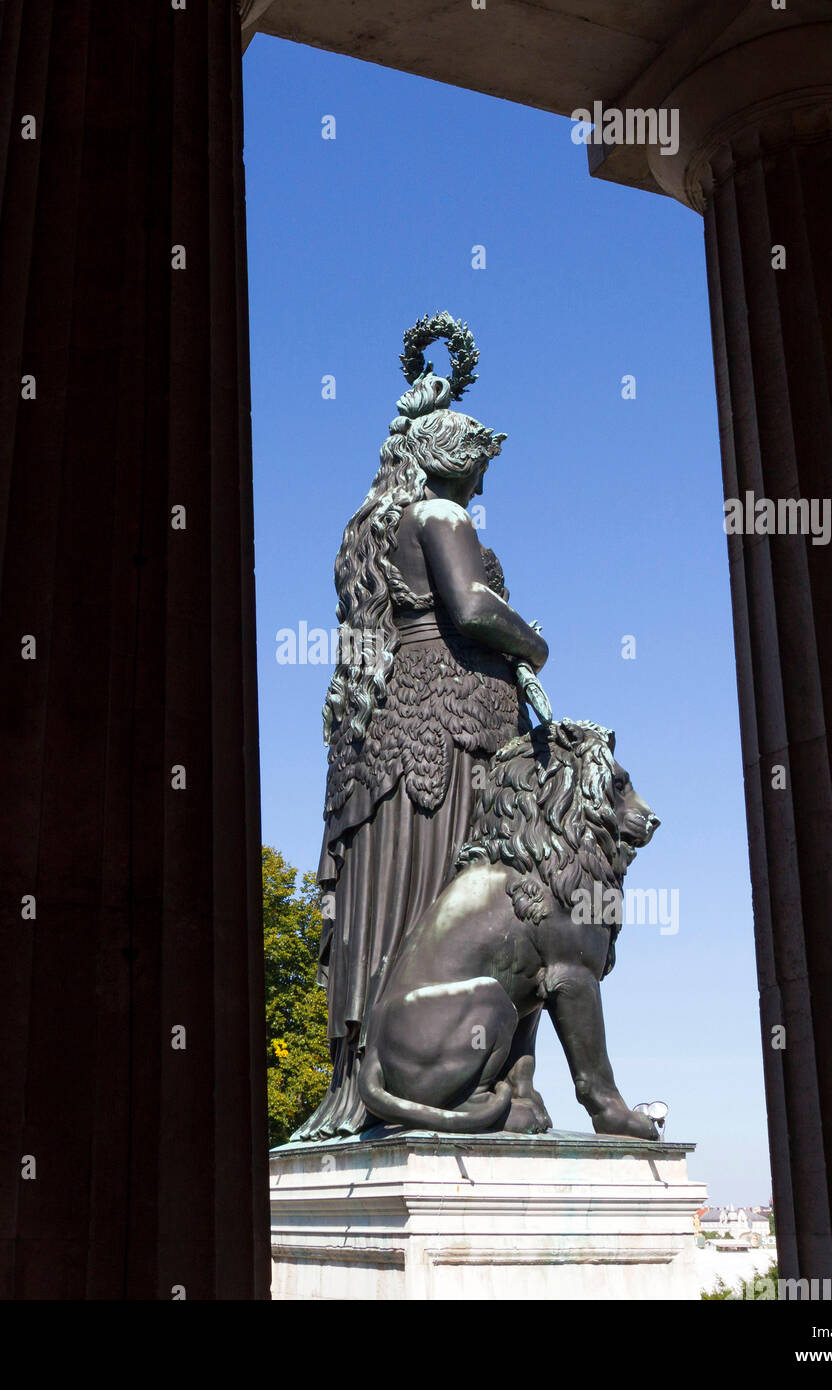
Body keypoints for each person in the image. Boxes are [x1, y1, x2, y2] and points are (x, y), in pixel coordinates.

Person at [292, 371, 550, 1140]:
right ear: (453, 459)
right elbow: (470, 607)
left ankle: (373, 1079)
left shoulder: (377, 526)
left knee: (400, 898)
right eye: (481, 463)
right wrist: (535, 640)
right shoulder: (439, 513)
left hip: (400, 733)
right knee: (469, 897)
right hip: (454, 730)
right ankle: (474, 1083)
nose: (483, 478)